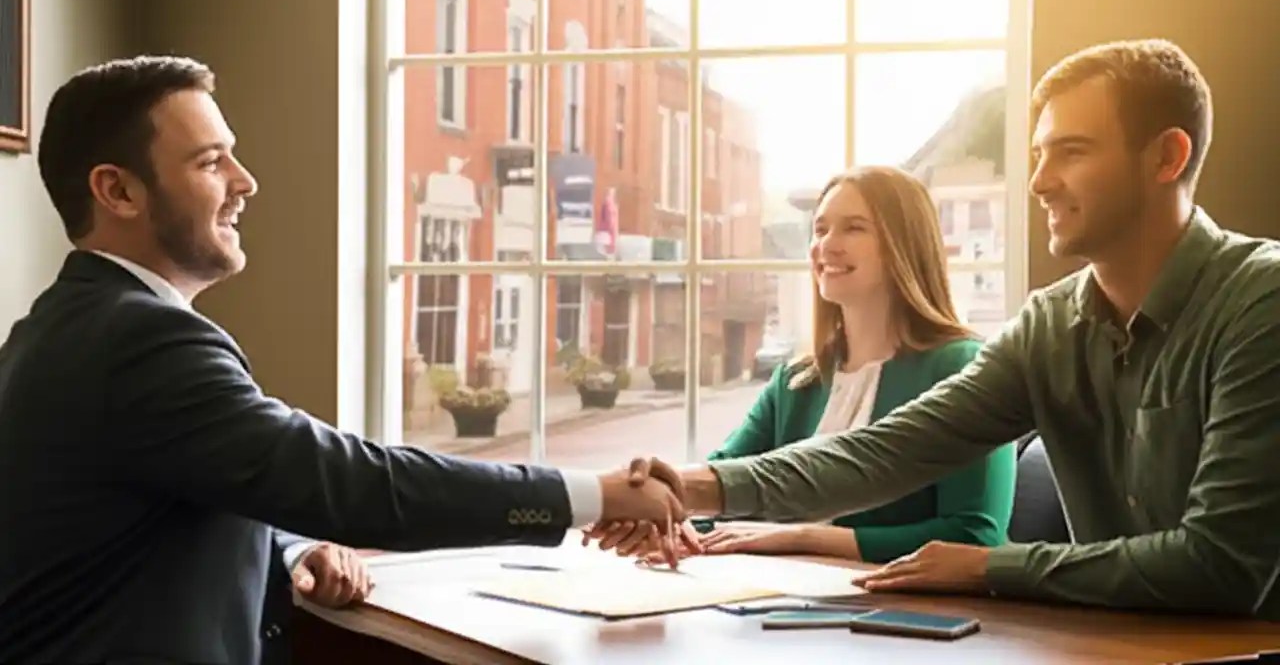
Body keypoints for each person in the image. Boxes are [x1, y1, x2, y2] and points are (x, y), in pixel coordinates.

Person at [0, 55, 685, 665]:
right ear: (118, 191)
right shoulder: (138, 342)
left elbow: (176, 498)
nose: (247, 182)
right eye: (211, 162)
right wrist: (592, 497)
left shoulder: (61, 328)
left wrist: (294, 547)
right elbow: (345, 479)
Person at [600, 38, 1280, 620]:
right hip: (1115, 647)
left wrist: (990, 567)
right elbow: (889, 452)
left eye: (1070, 152)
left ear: (1166, 158)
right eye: (1039, 154)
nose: (1039, 182)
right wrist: (686, 487)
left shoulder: (1260, 300)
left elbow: (1220, 565)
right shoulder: (1051, 325)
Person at [592, 167, 1016, 564]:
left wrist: (798, 536)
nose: (826, 245)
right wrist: (665, 520)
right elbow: (724, 479)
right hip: (787, 602)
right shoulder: (798, 380)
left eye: (854, 227)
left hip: (902, 617)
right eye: (820, 228)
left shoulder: (964, 368)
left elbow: (976, 535)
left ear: (905, 245)